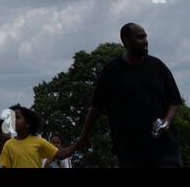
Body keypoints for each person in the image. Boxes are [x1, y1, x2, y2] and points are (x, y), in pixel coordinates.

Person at [76, 23, 183, 168]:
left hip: (164, 148)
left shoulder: (157, 66)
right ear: (125, 41)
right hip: (130, 151)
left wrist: (167, 121)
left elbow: (174, 101)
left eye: (145, 36)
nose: (145, 41)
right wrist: (84, 138)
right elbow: (96, 108)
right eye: (140, 37)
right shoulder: (112, 71)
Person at [0, 105, 77, 168]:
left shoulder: (39, 141)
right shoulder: (8, 145)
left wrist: (78, 143)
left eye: (17, 117)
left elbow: (61, 155)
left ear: (28, 124)